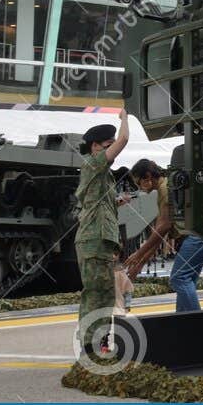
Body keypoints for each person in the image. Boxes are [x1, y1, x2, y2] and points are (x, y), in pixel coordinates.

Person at [124, 157, 203, 313]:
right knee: (187, 280)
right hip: (201, 235)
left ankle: (196, 323)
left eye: (139, 182)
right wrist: (140, 261)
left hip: (196, 236)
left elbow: (164, 227)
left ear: (148, 176)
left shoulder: (165, 189)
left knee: (179, 278)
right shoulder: (165, 187)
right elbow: (159, 231)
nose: (139, 187)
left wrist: (139, 254)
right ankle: (183, 321)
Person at [75, 110, 130, 358]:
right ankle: (92, 345)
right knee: (97, 294)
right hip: (94, 241)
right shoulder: (93, 164)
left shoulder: (102, 174)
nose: (112, 150)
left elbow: (96, 204)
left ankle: (98, 344)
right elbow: (124, 141)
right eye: (107, 145)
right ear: (95, 146)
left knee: (104, 293)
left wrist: (117, 202)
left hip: (99, 240)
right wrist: (125, 119)